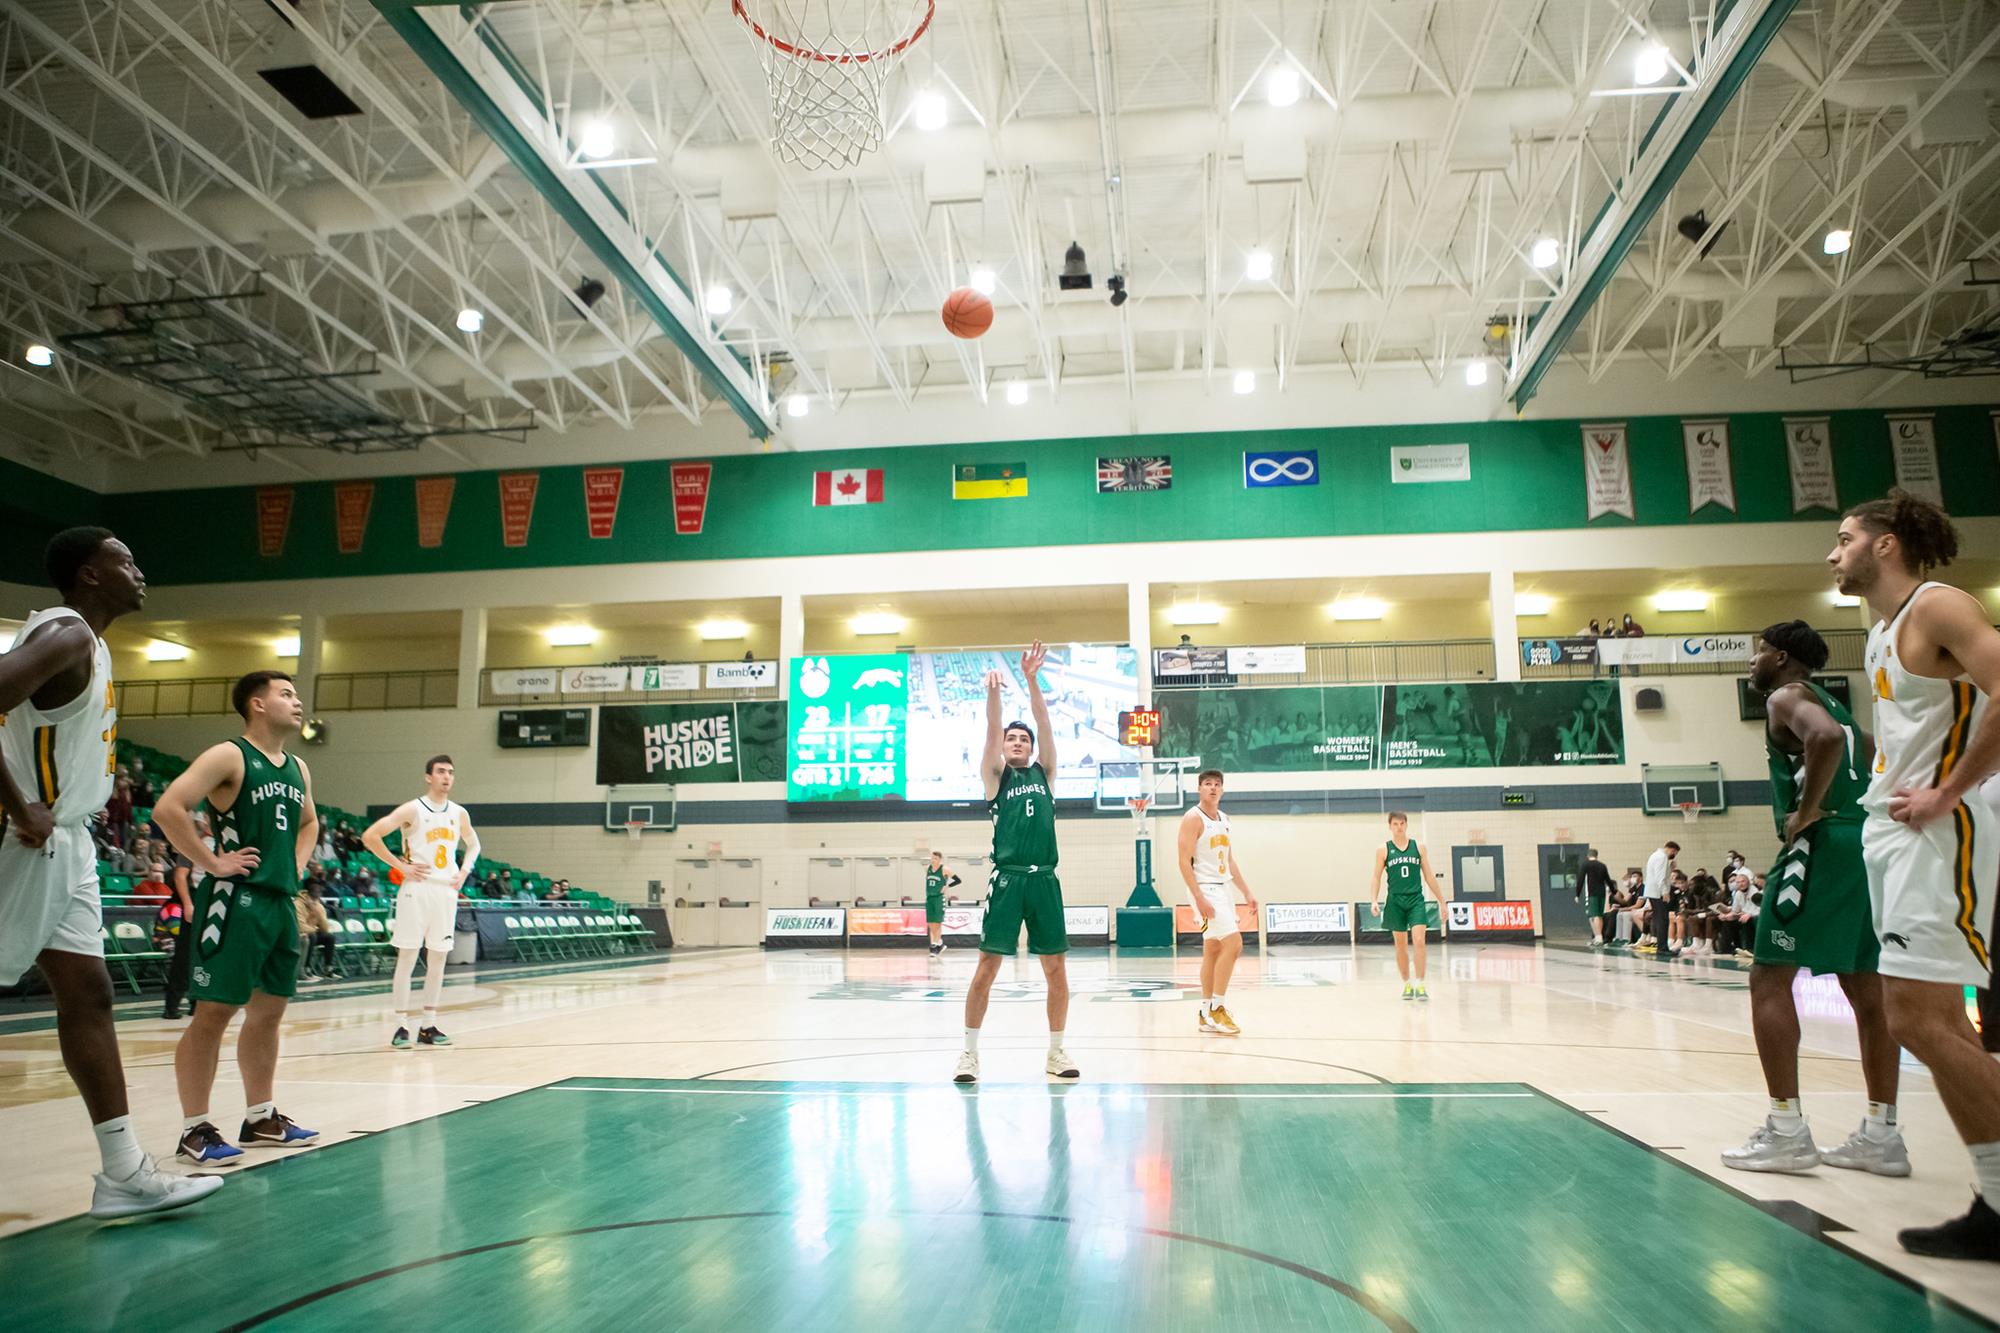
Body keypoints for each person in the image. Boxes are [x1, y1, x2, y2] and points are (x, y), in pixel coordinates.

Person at [0, 527, 221, 1218]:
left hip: (70, 839)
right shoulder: (64, 637)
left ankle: (123, 1170)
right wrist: (18, 804)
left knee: (90, 993)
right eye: (124, 560)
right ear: (90, 575)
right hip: (30, 840)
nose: (139, 570)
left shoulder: (89, 643)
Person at [1833, 491, 2000, 1258]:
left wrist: (1948, 790)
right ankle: (1995, 1203)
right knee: (1921, 1019)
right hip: (1897, 835)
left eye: (1845, 539)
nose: (1834, 554)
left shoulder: (1938, 607)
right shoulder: (1880, 633)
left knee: (1919, 1019)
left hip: (1942, 832)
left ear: (1887, 545)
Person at [1722, 621, 1906, 1176]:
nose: (1753, 660)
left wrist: (1804, 813)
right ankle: (1882, 1135)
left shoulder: (1787, 696)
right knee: (1867, 989)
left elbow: (1821, 738)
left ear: (1780, 658)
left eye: (1758, 651)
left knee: (1769, 976)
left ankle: (1786, 1131)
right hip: (1865, 843)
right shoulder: (1842, 710)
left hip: (1822, 845)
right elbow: (1874, 753)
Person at [157, 670, 321, 1167]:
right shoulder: (229, 755)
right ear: (257, 703)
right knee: (213, 1014)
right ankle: (194, 1129)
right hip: (233, 902)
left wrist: (294, 863)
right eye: (286, 694)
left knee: (269, 1013)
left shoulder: (297, 767)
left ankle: (260, 1116)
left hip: (278, 902)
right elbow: (169, 808)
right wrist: (212, 862)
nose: (297, 702)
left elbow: (310, 822)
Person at [955, 642, 1077, 1084]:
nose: (1020, 742)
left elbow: (1045, 724)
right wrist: (994, 696)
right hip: (1006, 882)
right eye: (1014, 739)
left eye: (1024, 739)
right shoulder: (996, 777)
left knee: (1056, 968)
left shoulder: (1045, 775)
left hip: (1044, 880)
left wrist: (1031, 679)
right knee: (987, 967)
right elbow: (990, 732)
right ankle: (968, 1054)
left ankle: (1057, 1052)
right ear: (1005, 749)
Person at [363, 755, 480, 1049]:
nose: (447, 777)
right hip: (417, 888)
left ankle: (428, 1025)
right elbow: (370, 836)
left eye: (451, 772)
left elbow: (474, 843)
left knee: (438, 957)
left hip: (446, 891)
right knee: (408, 956)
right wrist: (400, 866)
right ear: (428, 776)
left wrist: (464, 871)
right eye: (441, 772)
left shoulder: (458, 813)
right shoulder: (413, 809)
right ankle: (400, 1025)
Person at [1177, 769, 1259, 1034]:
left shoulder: (1224, 819)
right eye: (1207, 784)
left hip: (1223, 888)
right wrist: (1198, 897)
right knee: (1234, 945)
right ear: (1199, 788)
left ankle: (1204, 1013)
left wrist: (1246, 892)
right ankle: (1218, 1008)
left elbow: (1229, 860)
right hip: (1204, 889)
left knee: (1213, 949)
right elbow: (1183, 861)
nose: (1212, 788)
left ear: (1222, 790)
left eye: (1217, 784)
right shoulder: (1193, 818)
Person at [1370, 811, 1447, 999]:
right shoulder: (1383, 849)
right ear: (1390, 826)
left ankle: (1420, 983)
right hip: (1395, 901)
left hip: (1416, 900)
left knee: (1420, 941)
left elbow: (1429, 876)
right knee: (1401, 946)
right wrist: (1373, 899)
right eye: (1395, 824)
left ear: (1406, 825)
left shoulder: (1418, 847)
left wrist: (1442, 901)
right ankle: (1407, 983)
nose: (1399, 827)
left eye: (1402, 823)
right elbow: (1376, 876)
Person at [1640, 840, 1679, 956]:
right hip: (1658, 893)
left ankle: (1660, 945)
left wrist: (1670, 868)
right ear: (1672, 850)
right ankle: (1662, 948)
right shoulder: (1662, 857)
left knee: (1658, 919)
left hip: (1653, 892)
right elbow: (1660, 877)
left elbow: (1661, 874)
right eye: (1675, 853)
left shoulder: (1655, 855)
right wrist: (1665, 892)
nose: (1674, 855)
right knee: (1663, 920)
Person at [924, 851, 961, 957]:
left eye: (935, 858)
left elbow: (958, 880)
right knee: (931, 923)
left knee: (937, 922)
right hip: (929, 898)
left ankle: (935, 946)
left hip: (939, 898)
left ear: (939, 859)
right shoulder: (927, 869)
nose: (933, 860)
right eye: (932, 858)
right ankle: (938, 944)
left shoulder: (945, 869)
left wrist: (947, 886)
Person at [1577, 848, 1615, 947]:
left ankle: (1599, 937)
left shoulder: (1585, 865)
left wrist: (1577, 893)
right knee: (1597, 915)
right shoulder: (1602, 866)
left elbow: (1580, 879)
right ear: (1596, 855)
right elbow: (1608, 879)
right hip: (1601, 892)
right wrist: (1613, 891)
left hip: (1591, 893)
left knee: (1595, 915)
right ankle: (1598, 936)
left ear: (1588, 856)